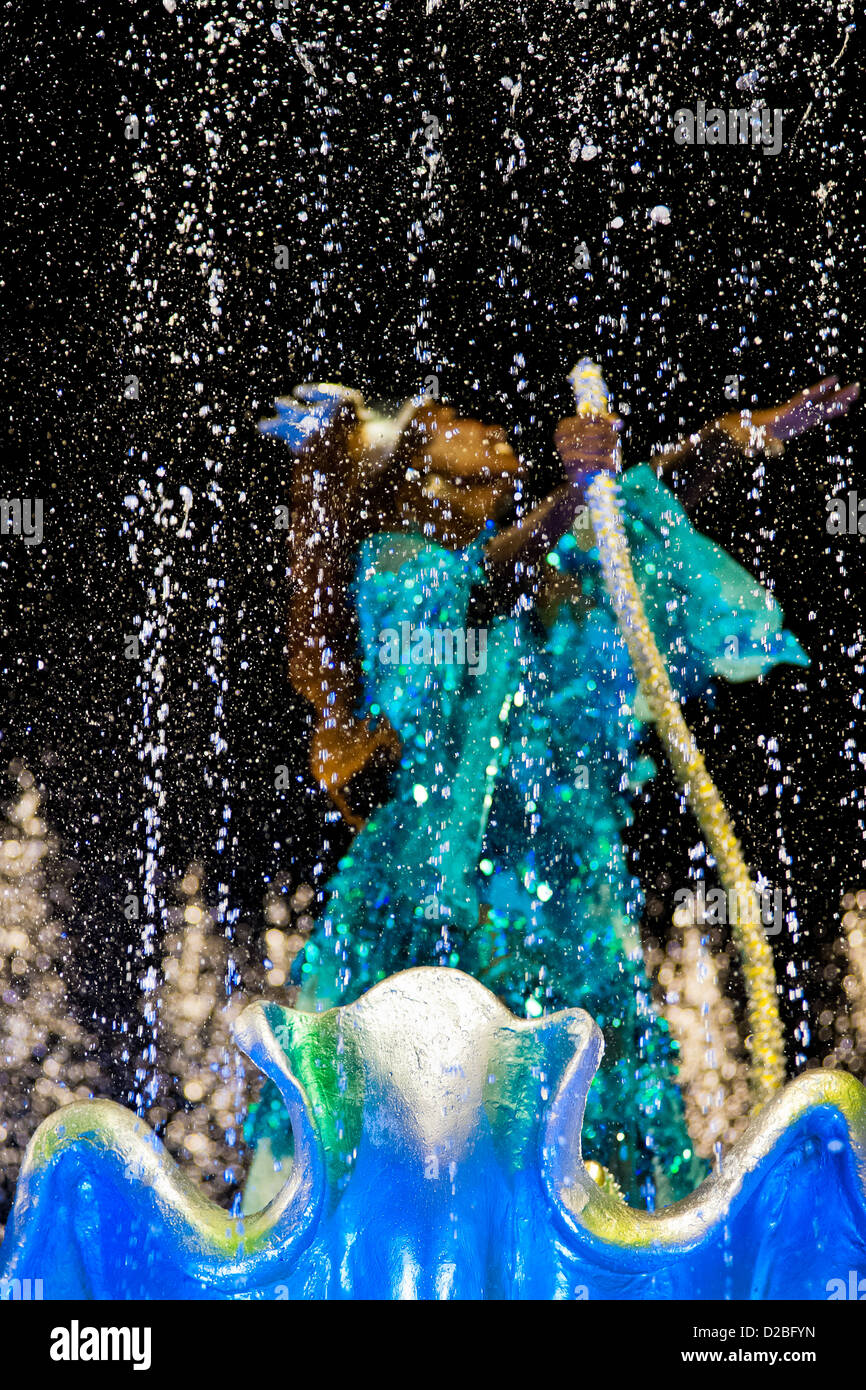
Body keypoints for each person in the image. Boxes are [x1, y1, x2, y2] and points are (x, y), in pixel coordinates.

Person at [248, 374, 857, 1205]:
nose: (488, 422)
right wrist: (571, 499)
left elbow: (632, 516)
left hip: (569, 912)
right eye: (455, 421)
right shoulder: (396, 571)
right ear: (417, 479)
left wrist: (738, 432)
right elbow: (482, 592)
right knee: (420, 1156)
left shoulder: (555, 561)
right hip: (435, 918)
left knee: (597, 1154)